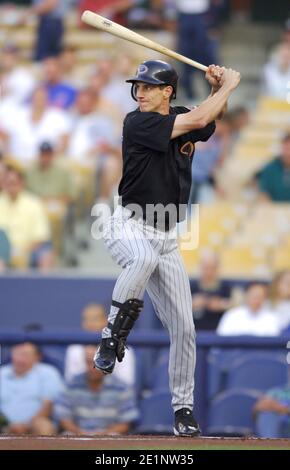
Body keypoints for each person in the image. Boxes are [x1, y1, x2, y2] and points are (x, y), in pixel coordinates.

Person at [93, 58, 240, 436]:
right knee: (140, 258)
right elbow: (193, 122)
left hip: (167, 237)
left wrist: (214, 89)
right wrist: (228, 87)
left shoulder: (180, 114)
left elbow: (208, 119)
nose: (139, 92)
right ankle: (111, 336)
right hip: (129, 224)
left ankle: (183, 409)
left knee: (185, 330)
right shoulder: (137, 122)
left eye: (147, 86)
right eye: (137, 86)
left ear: (167, 91)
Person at [54, 345, 138, 435]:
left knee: (115, 436)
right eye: (89, 362)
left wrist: (103, 435)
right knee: (67, 435)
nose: (92, 367)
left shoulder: (122, 388)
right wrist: (80, 433)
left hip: (110, 438)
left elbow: (126, 422)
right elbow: (63, 418)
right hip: (77, 436)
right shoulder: (71, 386)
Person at [0, 342, 64, 435]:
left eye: (25, 355)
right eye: (17, 354)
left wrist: (26, 425)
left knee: (43, 426)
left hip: (34, 424)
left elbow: (48, 405)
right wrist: (5, 423)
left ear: (37, 357)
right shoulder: (1, 373)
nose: (20, 359)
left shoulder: (48, 373)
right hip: (3, 424)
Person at [64, 304, 136, 385]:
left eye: (95, 319)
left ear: (106, 321)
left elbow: (127, 386)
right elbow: (71, 385)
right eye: (86, 320)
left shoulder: (122, 350)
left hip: (114, 395)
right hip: (81, 395)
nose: (90, 324)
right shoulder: (74, 349)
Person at [257, 133, 290, 203]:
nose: (288, 153)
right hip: (274, 209)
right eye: (287, 149)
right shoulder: (270, 168)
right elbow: (263, 193)